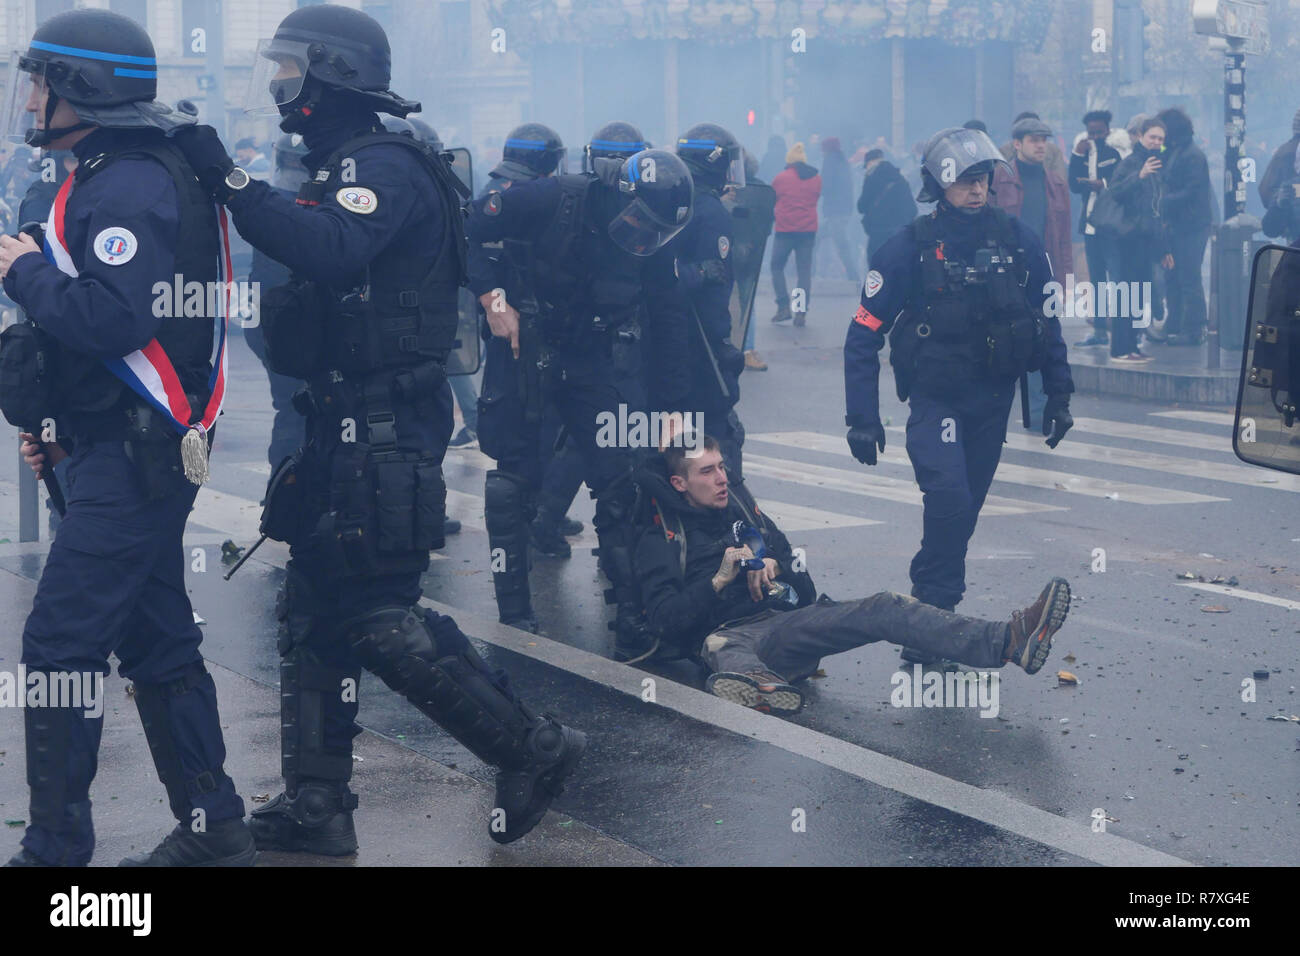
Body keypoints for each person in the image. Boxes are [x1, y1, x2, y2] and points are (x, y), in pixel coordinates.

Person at [172, 2, 585, 852]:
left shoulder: (384, 166)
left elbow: (328, 248)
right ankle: (318, 806)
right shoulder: (345, 161)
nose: (280, 88)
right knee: (315, 611)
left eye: (290, 72)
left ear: (332, 77)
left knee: (379, 614)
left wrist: (233, 183)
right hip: (344, 416)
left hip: (386, 421)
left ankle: (531, 745)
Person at [0, 8, 254, 866]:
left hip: (133, 453)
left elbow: (113, 319)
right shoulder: (111, 170)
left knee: (61, 642)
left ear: (81, 88)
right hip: (113, 444)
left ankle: (54, 851)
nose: (28, 96)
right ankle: (215, 825)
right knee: (155, 634)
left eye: (39, 80)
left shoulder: (128, 182)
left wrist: (20, 269)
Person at [843, 126, 1074, 664]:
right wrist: (862, 416)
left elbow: (1047, 320)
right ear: (939, 184)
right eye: (965, 180)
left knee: (963, 512)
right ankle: (931, 613)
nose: (976, 189)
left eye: (983, 179)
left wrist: (1059, 395)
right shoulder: (908, 247)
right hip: (936, 400)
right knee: (948, 498)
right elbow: (863, 333)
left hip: (991, 401)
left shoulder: (1018, 240)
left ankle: (928, 620)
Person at [464, 134, 695, 661]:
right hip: (527, 347)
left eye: (654, 234)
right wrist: (492, 297)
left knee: (624, 482)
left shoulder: (657, 236)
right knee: (513, 481)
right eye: (638, 225)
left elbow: (669, 314)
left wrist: (675, 404)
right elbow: (466, 228)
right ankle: (514, 612)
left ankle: (635, 616)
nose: (641, 239)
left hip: (594, 358)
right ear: (622, 194)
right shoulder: (552, 197)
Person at [634, 439, 1071, 713]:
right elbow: (665, 623)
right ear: (678, 483)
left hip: (785, 624)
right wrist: (718, 581)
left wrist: (774, 564)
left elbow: (803, 582)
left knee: (884, 605)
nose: (721, 479)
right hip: (726, 635)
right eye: (707, 472)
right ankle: (759, 687)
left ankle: (1011, 640)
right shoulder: (663, 536)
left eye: (722, 467)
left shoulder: (744, 512)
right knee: (723, 648)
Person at [475, 121, 587, 558]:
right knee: (527, 427)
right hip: (515, 332)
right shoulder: (507, 200)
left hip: (535, 327)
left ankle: (543, 509)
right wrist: (497, 302)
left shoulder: (501, 191)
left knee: (545, 424)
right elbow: (473, 256)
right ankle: (523, 518)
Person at [675, 123, 748, 483]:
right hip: (702, 347)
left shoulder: (673, 201)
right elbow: (713, 291)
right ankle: (727, 518)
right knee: (721, 440)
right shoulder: (710, 212)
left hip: (671, 342)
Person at [991, 116, 1072, 431]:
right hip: (1003, 275)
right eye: (1033, 139)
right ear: (1017, 144)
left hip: (1041, 274)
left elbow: (1063, 238)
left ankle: (1038, 415)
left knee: (1042, 339)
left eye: (1043, 139)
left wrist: (1063, 280)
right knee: (999, 339)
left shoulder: (1056, 183)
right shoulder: (998, 178)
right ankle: (994, 410)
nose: (1041, 145)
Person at [1099, 117, 1170, 362]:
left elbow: (1156, 210)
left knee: (1139, 294)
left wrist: (1163, 248)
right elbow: (1116, 191)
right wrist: (1138, 176)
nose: (1156, 142)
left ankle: (1133, 345)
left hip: (1144, 240)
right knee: (1125, 293)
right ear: (1140, 136)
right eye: (1152, 137)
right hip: (1124, 240)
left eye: (1160, 139)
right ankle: (1120, 348)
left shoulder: (1156, 166)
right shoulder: (1132, 163)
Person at [1069, 110, 1126, 348]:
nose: (1095, 137)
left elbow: (1124, 182)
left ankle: (1123, 331)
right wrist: (1075, 155)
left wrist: (1102, 184)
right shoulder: (1083, 152)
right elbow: (1073, 184)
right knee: (1097, 281)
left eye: (1099, 132)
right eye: (1091, 133)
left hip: (1112, 226)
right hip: (1090, 225)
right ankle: (1100, 331)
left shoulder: (1115, 153)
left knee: (1117, 278)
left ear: (1108, 131)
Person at [1155, 107, 1212, 346]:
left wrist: (1163, 201)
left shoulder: (1192, 155)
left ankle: (1194, 329)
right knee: (1173, 276)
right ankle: (1174, 323)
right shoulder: (1176, 151)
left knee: (1189, 277)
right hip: (1178, 225)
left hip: (1192, 226)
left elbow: (1192, 190)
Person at [770, 142, 821, 326]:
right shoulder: (816, 178)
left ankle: (783, 306)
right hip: (808, 230)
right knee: (803, 272)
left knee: (776, 267)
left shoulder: (781, 178)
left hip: (785, 230)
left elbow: (771, 200)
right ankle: (800, 312)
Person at [856, 147, 916, 266]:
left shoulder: (871, 178)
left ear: (871, 162)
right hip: (899, 232)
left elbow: (861, 206)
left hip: (878, 232)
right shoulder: (900, 179)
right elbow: (912, 209)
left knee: (876, 267)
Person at [816, 137, 858, 282]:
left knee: (842, 245)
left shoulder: (830, 161)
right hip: (844, 209)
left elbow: (826, 185)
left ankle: (854, 277)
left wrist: (817, 191)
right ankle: (810, 272)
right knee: (817, 238)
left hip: (835, 210)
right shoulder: (843, 161)